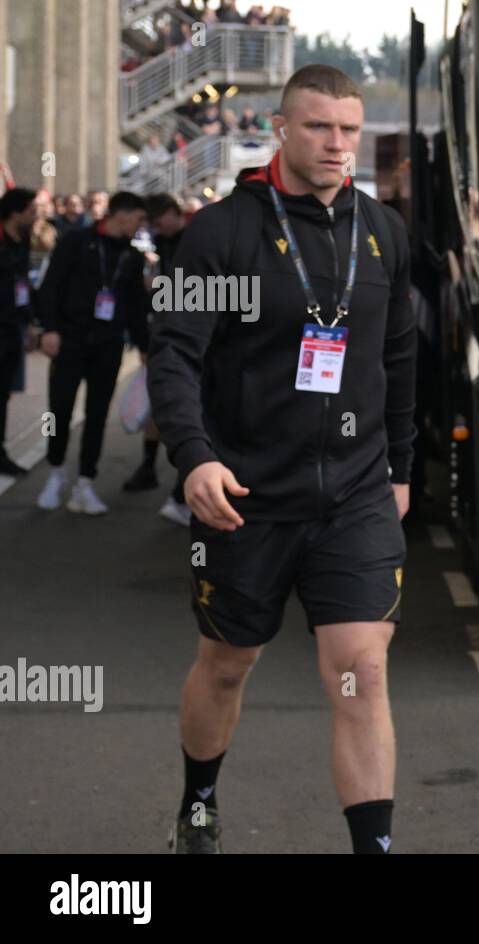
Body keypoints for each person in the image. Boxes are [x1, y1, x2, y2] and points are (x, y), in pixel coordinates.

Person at [148, 64, 415, 854]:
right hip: (247, 492)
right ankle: (198, 803)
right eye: (319, 128)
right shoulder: (221, 231)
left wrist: (399, 470)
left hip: (358, 493)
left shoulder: (385, 232)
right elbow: (172, 357)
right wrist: (194, 458)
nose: (337, 144)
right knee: (228, 662)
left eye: (349, 130)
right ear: (282, 129)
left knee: (361, 671)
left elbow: (398, 360)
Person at [34, 192, 149, 514]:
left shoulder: (132, 257)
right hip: (69, 341)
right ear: (122, 214)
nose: (141, 226)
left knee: (97, 415)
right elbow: (51, 285)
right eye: (139, 219)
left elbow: (136, 308)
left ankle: (85, 482)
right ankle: (55, 473)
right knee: (59, 410)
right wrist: (50, 328)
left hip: (108, 346)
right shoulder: (76, 242)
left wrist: (144, 346)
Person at [124, 194, 193, 527]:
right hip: (168, 333)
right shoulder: (164, 243)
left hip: (191, 336)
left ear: (173, 213)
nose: (155, 227)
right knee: (163, 403)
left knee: (191, 409)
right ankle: (154, 470)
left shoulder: (197, 239)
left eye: (157, 220)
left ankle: (183, 489)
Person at [0, 187, 37, 476]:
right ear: (15, 212)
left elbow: (22, 285)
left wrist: (29, 322)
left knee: (3, 394)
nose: (36, 215)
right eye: (31, 210)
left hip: (11, 329)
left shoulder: (21, 242)